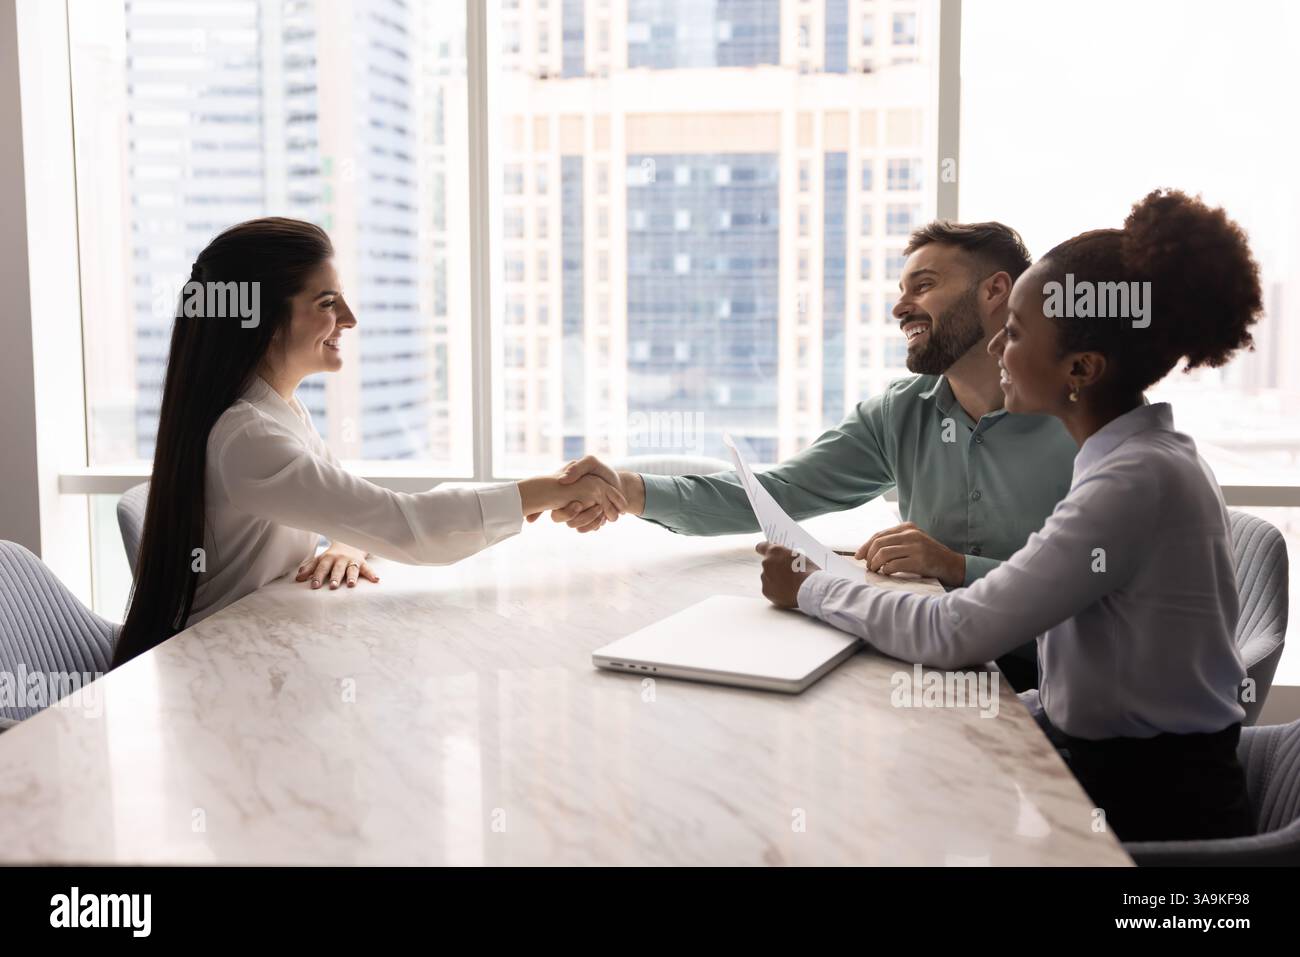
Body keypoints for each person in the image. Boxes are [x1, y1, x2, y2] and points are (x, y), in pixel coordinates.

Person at [758, 189, 1260, 843]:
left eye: (1016, 332)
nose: (997, 347)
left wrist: (812, 587)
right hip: (1103, 772)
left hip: (1145, 819)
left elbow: (956, 629)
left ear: (1080, 368)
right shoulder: (1131, 458)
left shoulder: (1134, 482)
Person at [554, 221, 1077, 691]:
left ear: (995, 291)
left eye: (924, 285)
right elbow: (775, 495)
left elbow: (1097, 582)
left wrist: (956, 567)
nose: (900, 307)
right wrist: (630, 491)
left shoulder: (1082, 417)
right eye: (901, 291)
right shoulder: (899, 413)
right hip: (929, 671)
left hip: (1055, 685)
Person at [112, 218, 624, 668]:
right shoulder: (250, 437)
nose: (350, 319)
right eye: (328, 302)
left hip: (261, 652)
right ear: (264, 320)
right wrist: (548, 490)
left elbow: (355, 513)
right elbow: (405, 527)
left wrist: (344, 543)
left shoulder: (278, 413)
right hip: (217, 672)